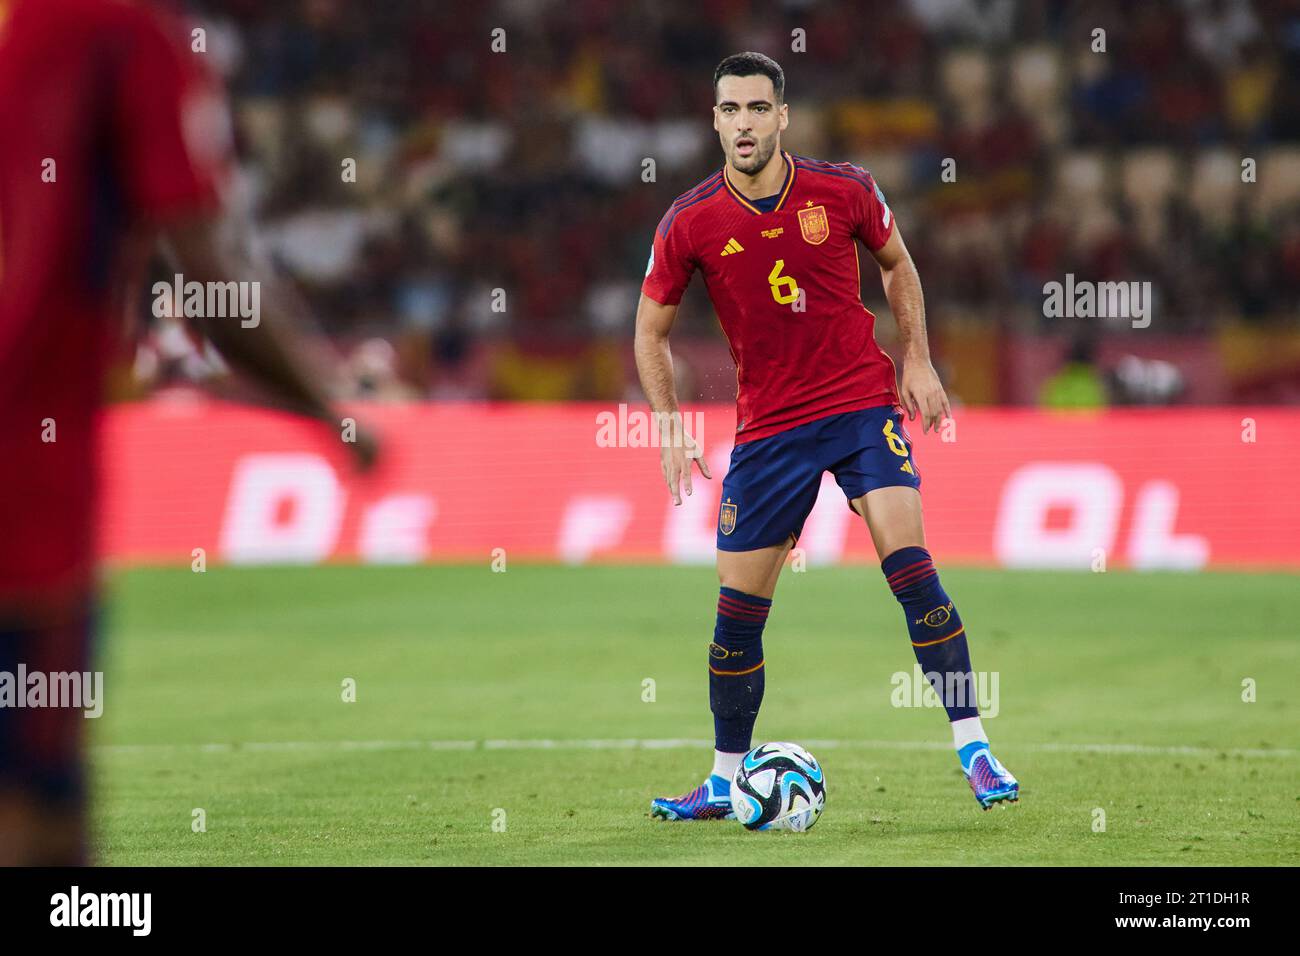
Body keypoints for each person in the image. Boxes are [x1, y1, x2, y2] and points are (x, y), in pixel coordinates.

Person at [0, 0, 374, 864]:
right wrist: (330, 410)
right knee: (41, 817)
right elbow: (208, 268)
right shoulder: (121, 36)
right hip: (24, 500)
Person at [634, 52, 1018, 820]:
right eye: (730, 110)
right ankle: (721, 779)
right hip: (768, 432)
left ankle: (975, 748)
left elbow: (898, 264)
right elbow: (649, 328)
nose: (743, 123)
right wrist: (670, 426)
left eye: (757, 109)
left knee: (911, 567)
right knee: (736, 617)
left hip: (859, 409)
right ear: (714, 121)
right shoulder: (689, 221)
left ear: (782, 116)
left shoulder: (843, 189)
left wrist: (918, 358)